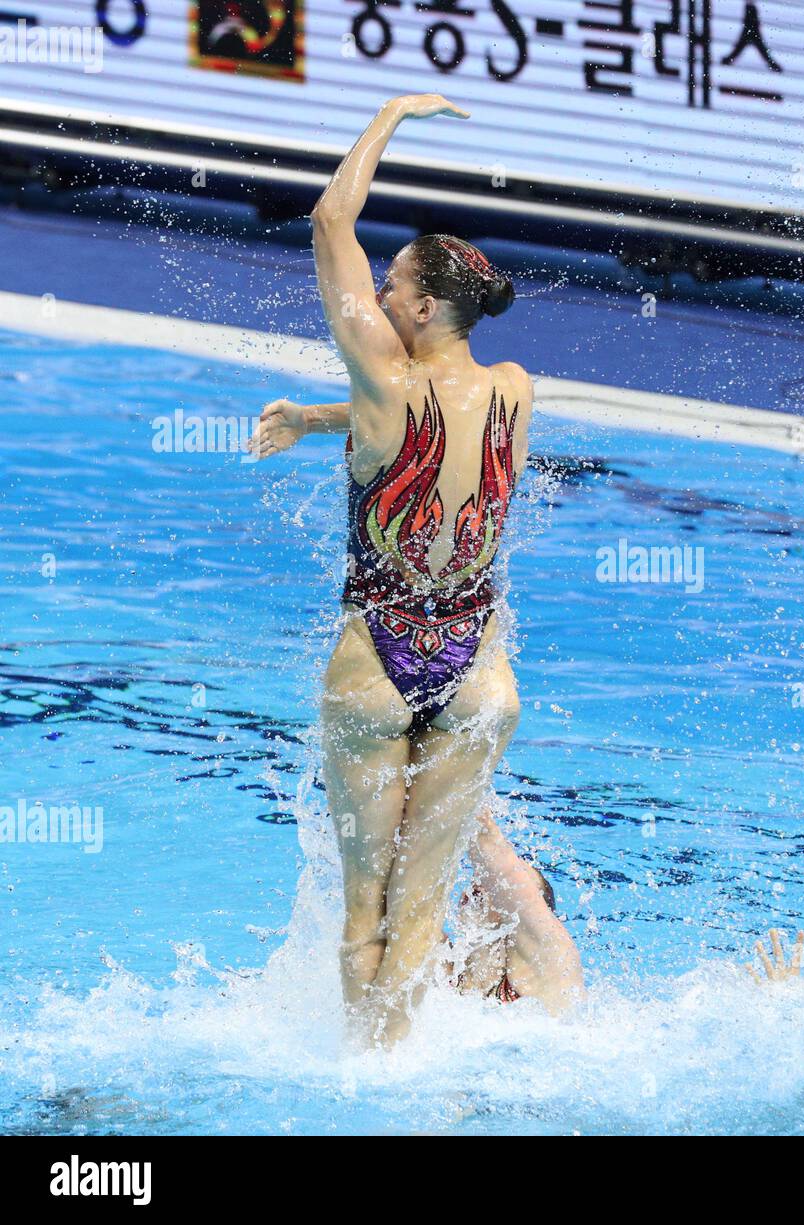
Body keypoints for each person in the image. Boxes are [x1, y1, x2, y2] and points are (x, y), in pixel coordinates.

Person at [257, 93, 534, 1046]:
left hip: (376, 662)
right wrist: (315, 418)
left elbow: (332, 218)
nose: (375, 297)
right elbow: (421, 433)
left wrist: (392, 115)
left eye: (391, 287)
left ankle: (356, 1082)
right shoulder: (513, 390)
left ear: (419, 305)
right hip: (478, 674)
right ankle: (402, 1081)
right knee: (422, 912)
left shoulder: (384, 369)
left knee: (364, 909)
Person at [446, 812, 585, 1013]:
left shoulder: (551, 959)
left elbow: (491, 849)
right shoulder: (445, 968)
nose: (482, 880)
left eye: (505, 887)